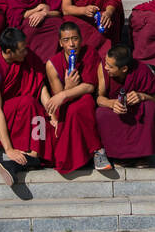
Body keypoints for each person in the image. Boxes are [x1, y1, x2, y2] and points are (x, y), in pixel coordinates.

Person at [0, 26, 56, 189]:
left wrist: (52, 115)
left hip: (23, 112)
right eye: (22, 50)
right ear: (9, 52)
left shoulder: (25, 56)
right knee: (30, 104)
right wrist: (9, 149)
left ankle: (33, 155)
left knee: (43, 119)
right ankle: (33, 154)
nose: (26, 52)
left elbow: (40, 87)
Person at [45, 20, 114, 177]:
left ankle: (97, 152)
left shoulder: (89, 52)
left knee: (83, 104)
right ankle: (95, 151)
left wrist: (65, 93)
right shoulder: (52, 64)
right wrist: (66, 89)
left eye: (75, 39)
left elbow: (90, 86)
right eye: (66, 40)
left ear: (81, 39)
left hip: (85, 100)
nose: (71, 44)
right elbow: (58, 98)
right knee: (74, 108)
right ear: (60, 43)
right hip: (66, 105)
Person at [95, 43, 155, 166]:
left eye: (110, 66)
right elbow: (99, 98)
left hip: (135, 110)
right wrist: (111, 103)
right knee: (101, 113)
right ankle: (118, 156)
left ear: (124, 69)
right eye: (106, 63)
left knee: (149, 107)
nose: (106, 67)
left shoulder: (142, 70)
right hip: (115, 109)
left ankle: (141, 156)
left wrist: (142, 96)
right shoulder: (103, 68)